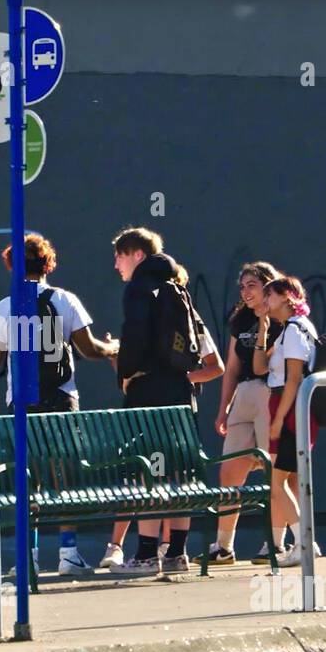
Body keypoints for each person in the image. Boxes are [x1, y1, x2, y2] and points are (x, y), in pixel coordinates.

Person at [0, 234, 119, 576]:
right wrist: (113, 349)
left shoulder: (5, 307)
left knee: (27, 476)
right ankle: (68, 554)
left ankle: (28, 558)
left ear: (12, 266)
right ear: (48, 264)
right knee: (64, 474)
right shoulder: (65, 300)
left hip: (22, 402)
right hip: (62, 399)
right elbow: (90, 349)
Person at [105, 227, 220, 576]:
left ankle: (144, 555)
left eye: (119, 256)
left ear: (137, 255)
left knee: (149, 472)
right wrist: (181, 378)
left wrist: (125, 370)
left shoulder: (140, 289)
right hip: (180, 397)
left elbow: (137, 339)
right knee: (178, 473)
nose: (116, 265)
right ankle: (177, 554)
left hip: (149, 396)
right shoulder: (179, 293)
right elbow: (203, 353)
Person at [195, 261, 287, 567]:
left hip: (270, 393)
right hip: (244, 395)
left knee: (276, 471)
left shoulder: (280, 318)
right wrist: (223, 409)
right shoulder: (241, 319)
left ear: (268, 286)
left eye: (253, 285)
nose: (246, 292)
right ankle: (223, 546)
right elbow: (232, 367)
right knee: (229, 471)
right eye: (243, 286)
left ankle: (275, 543)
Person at [253, 275, 323, 568]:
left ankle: (304, 542)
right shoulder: (286, 331)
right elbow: (259, 367)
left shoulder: (295, 330)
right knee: (283, 479)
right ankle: (299, 541)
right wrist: (263, 329)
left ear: (285, 297)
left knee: (277, 481)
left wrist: (279, 419)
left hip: (291, 408)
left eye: (269, 296)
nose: (265, 301)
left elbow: (294, 378)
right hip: (285, 404)